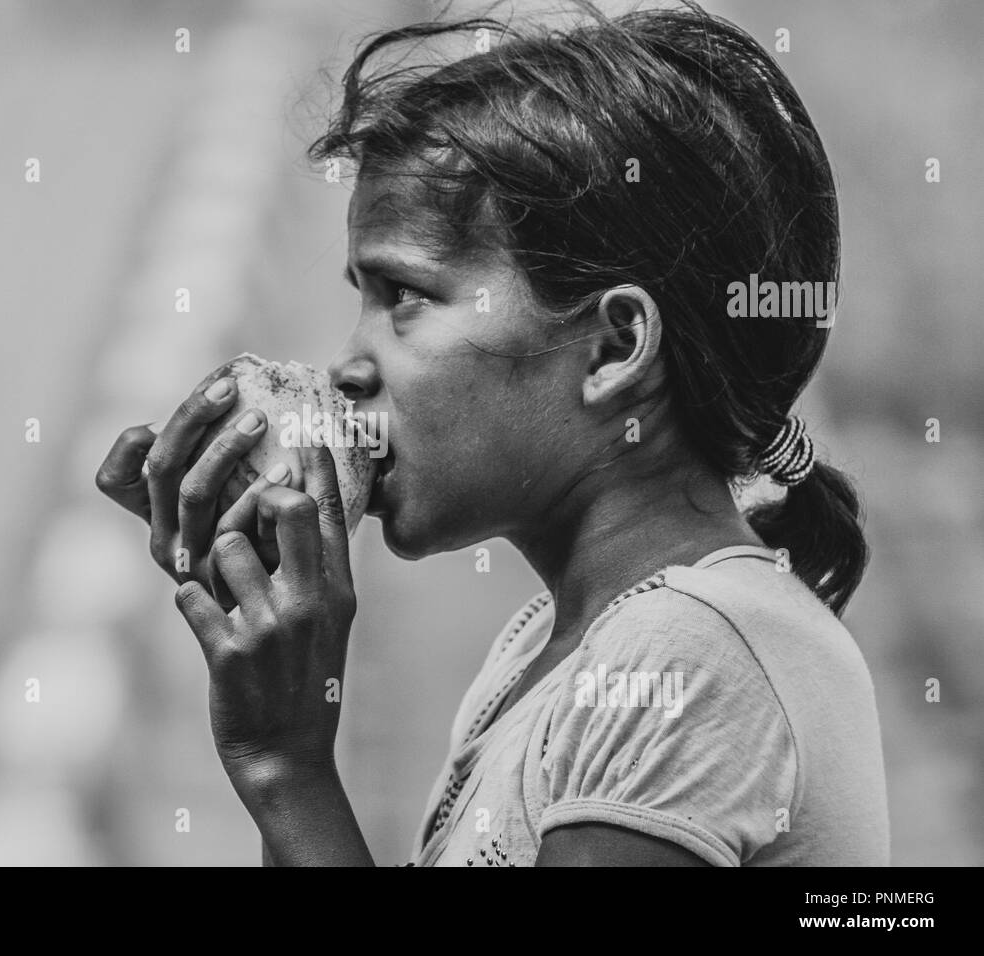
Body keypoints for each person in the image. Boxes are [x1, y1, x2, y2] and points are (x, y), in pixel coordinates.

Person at [96, 1, 890, 866]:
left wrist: (287, 767)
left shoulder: (688, 660)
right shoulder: (544, 651)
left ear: (614, 350)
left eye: (402, 296)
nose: (347, 366)